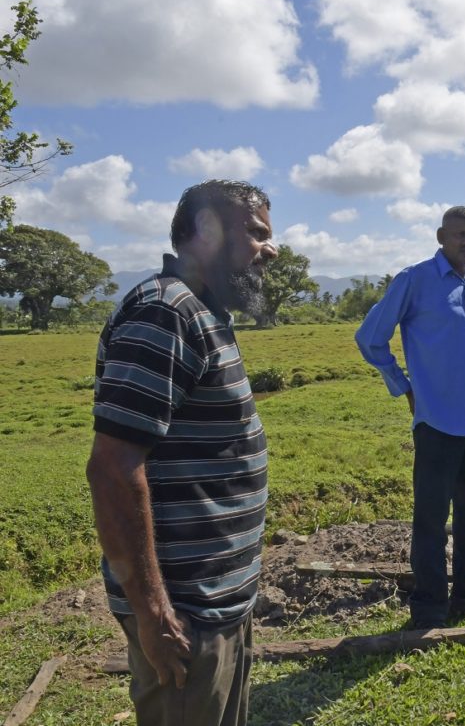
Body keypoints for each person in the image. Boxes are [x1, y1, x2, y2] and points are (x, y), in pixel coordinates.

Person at [85, 180, 278, 726]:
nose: (271, 248)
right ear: (204, 231)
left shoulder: (205, 311)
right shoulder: (165, 313)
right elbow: (113, 470)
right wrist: (153, 613)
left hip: (217, 602)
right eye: (257, 233)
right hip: (184, 615)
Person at [355, 205, 465, 630]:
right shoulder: (415, 280)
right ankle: (428, 607)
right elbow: (370, 338)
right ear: (441, 236)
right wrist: (403, 386)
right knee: (430, 518)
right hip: (438, 420)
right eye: (460, 234)